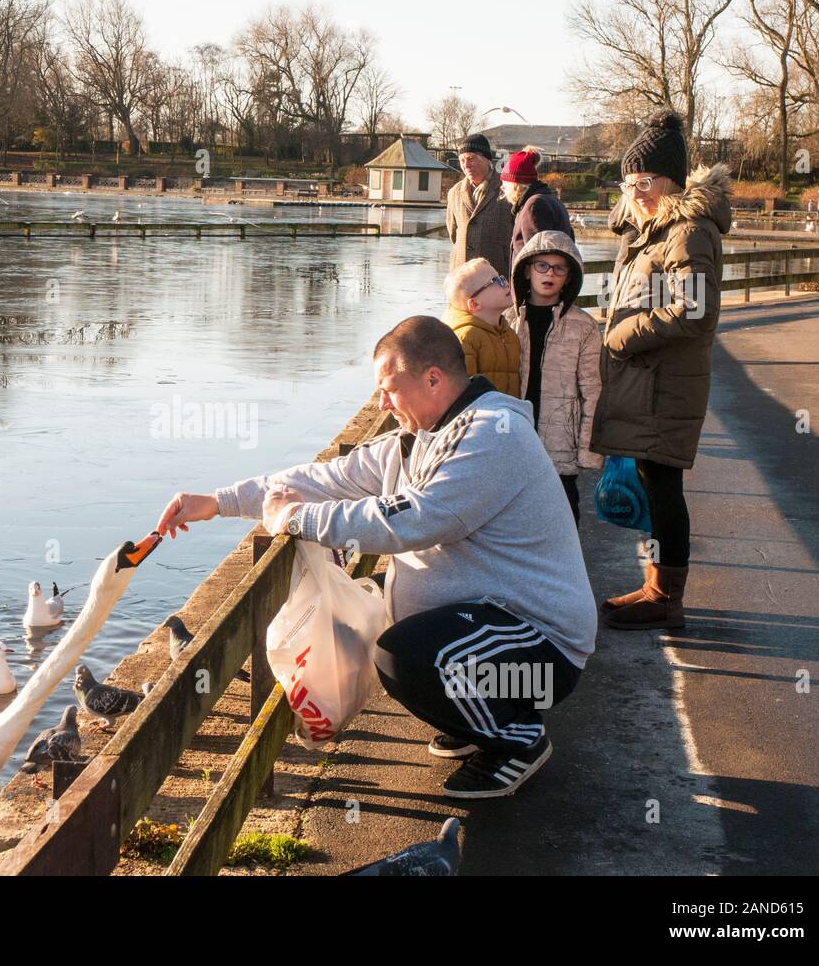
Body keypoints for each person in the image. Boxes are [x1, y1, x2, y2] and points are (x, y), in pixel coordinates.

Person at [155, 316, 596, 799]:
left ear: (432, 378)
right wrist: (216, 502)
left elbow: (414, 520)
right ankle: (481, 719)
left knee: (399, 655)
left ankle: (517, 739)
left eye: (388, 389)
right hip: (494, 632)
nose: (381, 403)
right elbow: (324, 479)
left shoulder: (493, 436)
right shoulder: (419, 436)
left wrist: (297, 520)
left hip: (542, 648)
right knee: (397, 647)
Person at [590, 110, 731, 630]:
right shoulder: (655, 229)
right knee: (654, 482)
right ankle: (654, 585)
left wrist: (624, 334)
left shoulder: (688, 232)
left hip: (664, 384)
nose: (636, 190)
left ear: (671, 179)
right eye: (629, 182)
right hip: (649, 381)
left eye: (645, 180)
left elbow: (695, 309)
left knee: (663, 485)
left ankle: (666, 598)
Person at [506, 230, 603, 524]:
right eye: (542, 266)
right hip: (515, 435)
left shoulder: (583, 326)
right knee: (515, 518)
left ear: (569, 277)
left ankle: (567, 570)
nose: (550, 274)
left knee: (563, 517)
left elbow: (593, 391)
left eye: (559, 268)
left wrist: (589, 451)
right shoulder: (507, 320)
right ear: (526, 270)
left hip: (560, 437)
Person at [442, 257, 521, 396]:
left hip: (509, 414)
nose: (505, 283)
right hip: (481, 415)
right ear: (474, 304)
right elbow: (463, 393)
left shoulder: (508, 333)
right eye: (495, 281)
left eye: (501, 277)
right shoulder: (466, 338)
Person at [445, 133, 514, 277]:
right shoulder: (454, 193)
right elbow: (453, 234)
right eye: (462, 160)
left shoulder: (508, 189)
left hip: (497, 277)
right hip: (461, 278)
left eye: (471, 159)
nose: (466, 165)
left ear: (487, 160)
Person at [501, 146, 575, 261]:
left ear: (515, 184)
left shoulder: (534, 206)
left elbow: (538, 259)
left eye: (505, 183)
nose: (503, 187)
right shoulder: (549, 199)